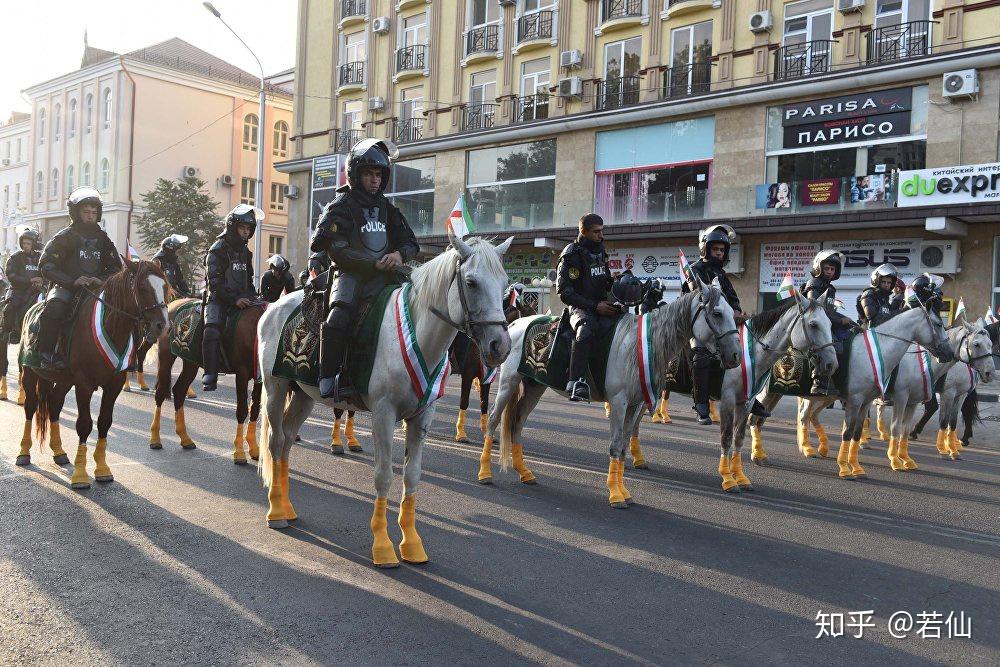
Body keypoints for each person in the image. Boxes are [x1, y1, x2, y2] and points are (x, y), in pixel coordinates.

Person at [310, 138, 419, 401]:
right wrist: (371, 263)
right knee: (339, 316)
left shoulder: (388, 209)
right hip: (349, 274)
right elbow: (336, 249)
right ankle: (328, 375)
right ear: (356, 174)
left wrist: (398, 254)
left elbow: (410, 242)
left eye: (378, 174)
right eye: (369, 173)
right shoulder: (341, 205)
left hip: (386, 275)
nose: (374, 180)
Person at [682, 224, 767, 423]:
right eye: (715, 249)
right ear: (705, 249)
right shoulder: (694, 270)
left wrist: (737, 311)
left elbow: (732, 297)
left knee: (745, 351)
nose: (719, 253)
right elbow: (692, 299)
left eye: (722, 250)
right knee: (701, 356)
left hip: (722, 325)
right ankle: (701, 403)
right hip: (700, 326)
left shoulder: (721, 273)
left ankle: (747, 395)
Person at [35, 187, 123, 370]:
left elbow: (116, 267)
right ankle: (46, 353)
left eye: (94, 212)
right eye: (86, 212)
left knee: (125, 309)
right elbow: (46, 265)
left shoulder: (104, 239)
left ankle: (126, 355)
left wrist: (101, 280)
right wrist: (72, 281)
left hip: (97, 288)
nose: (90, 216)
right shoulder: (63, 237)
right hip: (66, 287)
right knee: (55, 308)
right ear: (76, 213)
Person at [556, 213, 619, 403]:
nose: (601, 236)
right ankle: (575, 382)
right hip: (579, 307)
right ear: (583, 231)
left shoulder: (600, 251)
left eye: (602, 231)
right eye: (596, 232)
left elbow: (604, 281)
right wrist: (594, 306)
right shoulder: (571, 255)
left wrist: (618, 283)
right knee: (585, 330)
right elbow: (564, 293)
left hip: (601, 304)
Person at [202, 205, 261, 391]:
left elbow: (248, 281)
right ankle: (210, 374)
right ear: (232, 227)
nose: (246, 232)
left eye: (249, 229)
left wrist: (252, 297)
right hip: (218, 299)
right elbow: (215, 283)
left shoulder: (246, 252)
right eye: (242, 227)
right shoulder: (216, 250)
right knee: (211, 331)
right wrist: (234, 300)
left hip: (243, 298)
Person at [801, 250, 855, 394]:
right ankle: (819, 381)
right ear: (818, 267)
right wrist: (840, 321)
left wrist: (847, 320)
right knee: (832, 346)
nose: (830, 271)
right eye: (827, 268)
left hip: (826, 322)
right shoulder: (814, 283)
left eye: (832, 269)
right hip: (814, 325)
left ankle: (839, 379)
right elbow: (815, 311)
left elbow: (829, 311)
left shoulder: (829, 287)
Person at [1, 228, 44, 343]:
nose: (26, 246)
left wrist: (42, 281)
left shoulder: (40, 258)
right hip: (18, 290)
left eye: (28, 244)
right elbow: (11, 275)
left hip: (37, 290)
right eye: (24, 243)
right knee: (9, 309)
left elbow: (47, 272)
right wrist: (30, 280)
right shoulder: (15, 257)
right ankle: (8, 333)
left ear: (33, 244)